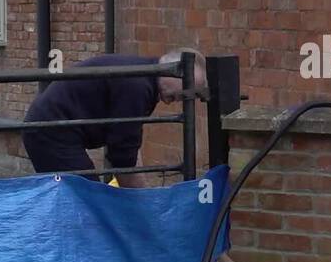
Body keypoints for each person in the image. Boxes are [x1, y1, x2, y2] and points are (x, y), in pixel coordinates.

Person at [22, 50, 206, 186]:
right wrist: (143, 207)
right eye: (184, 85)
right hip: (50, 130)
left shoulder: (145, 75)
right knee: (85, 197)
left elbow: (129, 143)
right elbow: (122, 158)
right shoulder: (139, 87)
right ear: (171, 69)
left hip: (54, 127)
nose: (181, 98)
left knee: (84, 195)